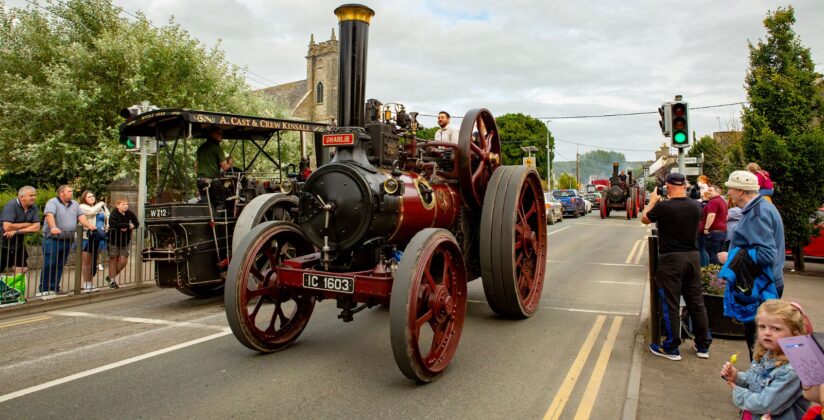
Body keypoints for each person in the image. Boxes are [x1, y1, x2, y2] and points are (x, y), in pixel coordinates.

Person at [641, 172, 712, 360]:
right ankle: (703, 345)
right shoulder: (696, 206)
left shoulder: (664, 207)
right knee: (696, 302)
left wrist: (652, 201)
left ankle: (672, 347)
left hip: (671, 259)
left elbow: (644, 219)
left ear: (668, 186)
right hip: (692, 257)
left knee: (671, 304)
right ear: (685, 185)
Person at [719, 170, 786, 361]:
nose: (728, 192)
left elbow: (767, 254)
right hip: (767, 283)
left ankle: (759, 386)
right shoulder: (763, 207)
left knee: (759, 344)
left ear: (741, 190)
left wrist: (731, 257)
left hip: (762, 287)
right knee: (762, 343)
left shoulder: (757, 213)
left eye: (730, 188)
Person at [720, 300, 811, 419]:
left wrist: (738, 392)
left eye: (776, 329)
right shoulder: (766, 354)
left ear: (795, 334)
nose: (767, 333)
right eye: (762, 327)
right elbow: (755, 380)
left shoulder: (792, 370)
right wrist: (737, 377)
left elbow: (765, 404)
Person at [40, 185, 96, 295]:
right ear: (61, 193)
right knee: (50, 263)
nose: (72, 193)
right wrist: (53, 227)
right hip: (52, 239)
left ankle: (54, 288)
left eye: (72, 191)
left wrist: (89, 225)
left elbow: (81, 217)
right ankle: (44, 289)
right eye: (69, 191)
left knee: (60, 264)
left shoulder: (74, 203)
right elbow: (49, 215)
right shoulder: (52, 202)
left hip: (67, 240)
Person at [1, 186, 40, 275]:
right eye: (31, 195)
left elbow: (36, 227)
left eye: (34, 195)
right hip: (3, 243)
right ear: (21, 197)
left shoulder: (33, 207)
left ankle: (14, 288)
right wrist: (27, 224)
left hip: (18, 243)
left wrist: (16, 231)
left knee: (23, 268)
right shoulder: (11, 206)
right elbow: (6, 227)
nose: (34, 197)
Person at [78, 191, 109, 292]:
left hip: (97, 236)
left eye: (92, 196)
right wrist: (101, 203)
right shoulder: (82, 206)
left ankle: (90, 284)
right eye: (88, 197)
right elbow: (91, 212)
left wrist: (107, 226)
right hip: (86, 237)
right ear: (84, 199)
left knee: (93, 261)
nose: (92, 198)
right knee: (86, 262)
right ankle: (86, 284)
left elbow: (107, 216)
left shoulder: (99, 207)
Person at [195, 127, 231, 209]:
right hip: (212, 181)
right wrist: (230, 162)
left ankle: (207, 219)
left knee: (206, 205)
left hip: (200, 181)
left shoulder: (201, 148)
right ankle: (217, 220)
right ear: (213, 134)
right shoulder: (217, 149)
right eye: (220, 133)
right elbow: (225, 167)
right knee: (221, 203)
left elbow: (196, 167)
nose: (221, 136)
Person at [106, 199, 139, 289]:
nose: (125, 206)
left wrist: (129, 226)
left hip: (124, 241)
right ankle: (112, 281)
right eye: (123, 204)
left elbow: (136, 223)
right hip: (113, 240)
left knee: (123, 261)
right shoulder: (114, 213)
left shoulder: (129, 213)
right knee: (113, 260)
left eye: (126, 204)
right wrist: (127, 225)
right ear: (118, 206)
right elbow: (113, 224)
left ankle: (110, 277)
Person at [701, 185, 728, 266]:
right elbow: (727, 216)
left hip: (714, 232)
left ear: (717, 192)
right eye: (708, 190)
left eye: (711, 190)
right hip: (722, 231)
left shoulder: (714, 201)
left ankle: (714, 276)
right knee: (720, 255)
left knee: (712, 254)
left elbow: (711, 215)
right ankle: (721, 274)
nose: (708, 192)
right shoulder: (723, 201)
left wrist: (706, 228)